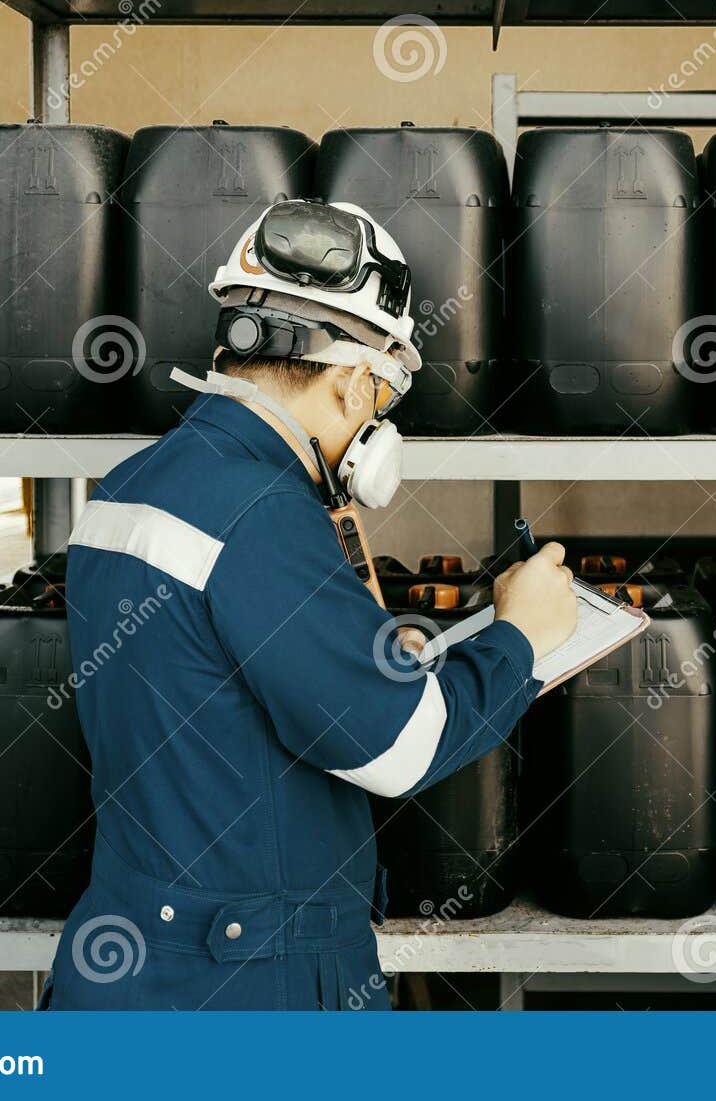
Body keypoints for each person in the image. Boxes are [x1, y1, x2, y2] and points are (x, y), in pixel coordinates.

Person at [44, 199, 577, 1010]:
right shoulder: (263, 516)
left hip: (124, 960)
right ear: (356, 380)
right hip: (249, 987)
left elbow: (226, 685)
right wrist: (521, 640)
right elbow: (400, 747)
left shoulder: (128, 487)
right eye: (384, 395)